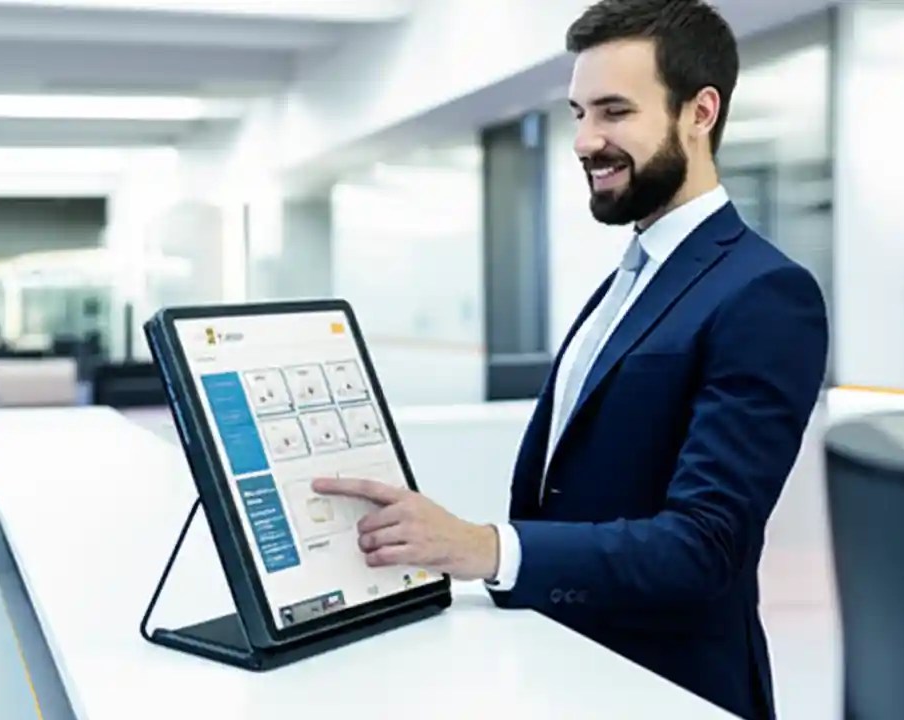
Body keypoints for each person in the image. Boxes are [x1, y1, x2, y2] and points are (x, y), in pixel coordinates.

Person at [313, 1, 828, 717]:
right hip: (567, 670)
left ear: (700, 112)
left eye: (614, 112)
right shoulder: (630, 278)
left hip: (671, 689)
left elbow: (705, 548)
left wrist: (486, 548)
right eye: (578, 113)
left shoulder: (765, 292)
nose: (586, 141)